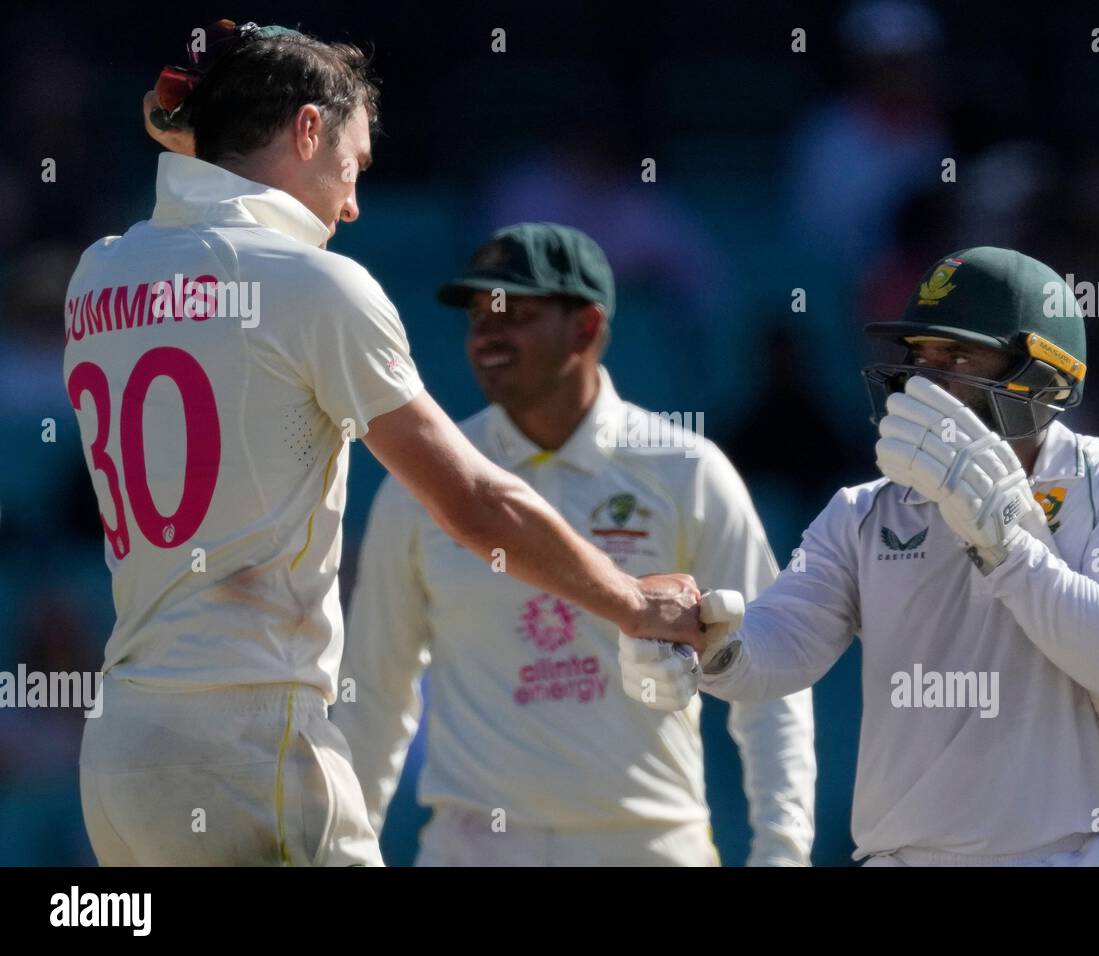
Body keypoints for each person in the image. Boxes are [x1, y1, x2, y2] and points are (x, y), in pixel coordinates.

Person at [65, 21, 701, 867]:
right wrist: (634, 602)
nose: (354, 203)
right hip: (255, 744)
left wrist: (213, 126)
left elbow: (199, 210)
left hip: (123, 754)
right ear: (306, 130)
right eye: (351, 165)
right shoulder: (315, 285)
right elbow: (476, 505)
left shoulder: (98, 272)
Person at [625, 247, 1099, 866]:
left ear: (1037, 373)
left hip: (1073, 852)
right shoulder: (863, 511)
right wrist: (708, 645)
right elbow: (782, 641)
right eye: (919, 356)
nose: (924, 380)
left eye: (958, 356)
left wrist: (1003, 538)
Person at [333, 223, 816, 866]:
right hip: (474, 848)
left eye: (517, 313)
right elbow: (376, 692)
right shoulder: (422, 486)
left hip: (647, 846)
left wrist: (782, 853)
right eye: (478, 315)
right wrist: (343, 852)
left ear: (586, 328)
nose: (487, 335)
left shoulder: (687, 472)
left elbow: (772, 677)